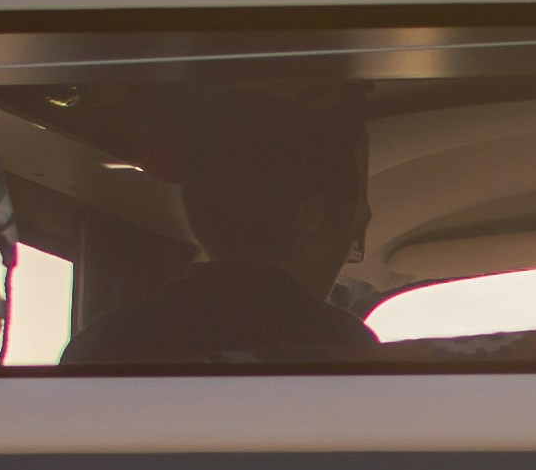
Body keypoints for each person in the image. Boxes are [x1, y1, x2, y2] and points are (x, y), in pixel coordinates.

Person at [60, 81, 375, 367]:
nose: (357, 229)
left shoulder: (101, 344)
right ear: (313, 220)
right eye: (354, 222)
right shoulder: (340, 348)